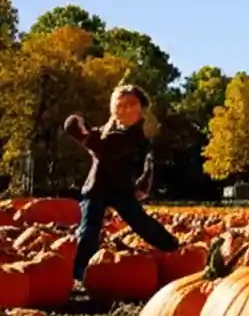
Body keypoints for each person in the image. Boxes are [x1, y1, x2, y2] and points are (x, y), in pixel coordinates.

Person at [63, 85, 179, 282]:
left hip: (122, 190)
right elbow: (96, 142)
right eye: (120, 105)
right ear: (112, 108)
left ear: (141, 108)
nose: (125, 109)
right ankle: (81, 273)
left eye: (131, 104)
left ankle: (173, 248)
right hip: (96, 188)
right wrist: (82, 131)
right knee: (88, 228)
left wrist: (143, 185)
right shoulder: (105, 133)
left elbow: (143, 162)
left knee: (141, 222)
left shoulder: (136, 138)